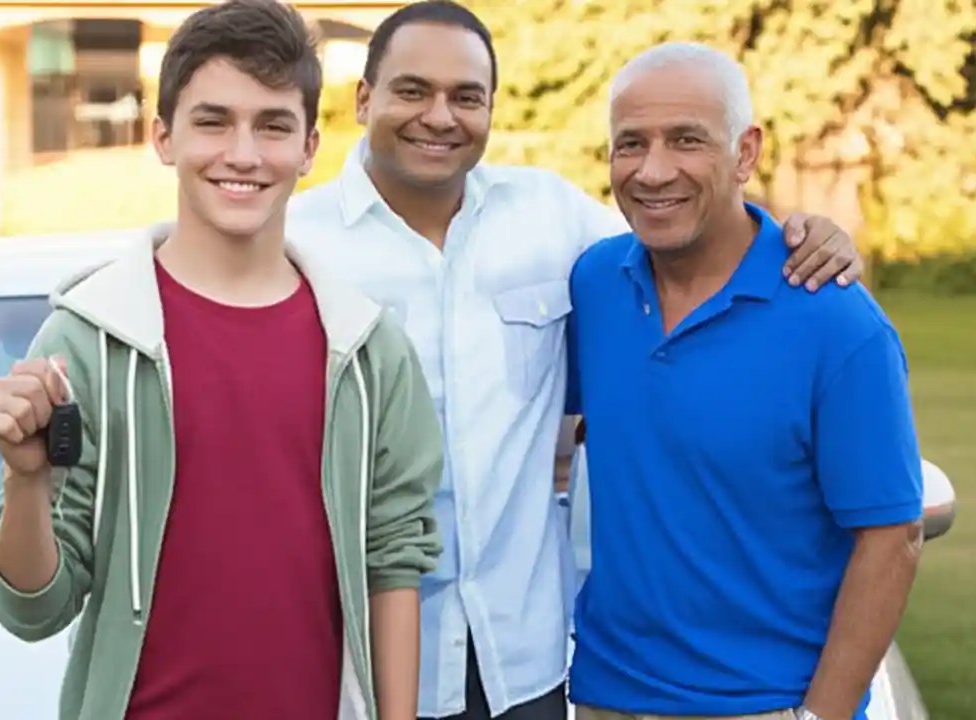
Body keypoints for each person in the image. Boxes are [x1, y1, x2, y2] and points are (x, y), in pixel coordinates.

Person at [287, 2, 868, 718]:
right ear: (365, 98)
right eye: (413, 90)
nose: (440, 116)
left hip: (525, 668)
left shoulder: (552, 219)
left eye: (466, 97)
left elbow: (694, 226)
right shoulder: (293, 244)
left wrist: (803, 235)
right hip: (355, 671)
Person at [0, 2, 444, 719]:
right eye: (213, 121)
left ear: (311, 146)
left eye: (273, 125)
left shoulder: (368, 351)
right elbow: (34, 611)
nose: (243, 154)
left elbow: (394, 565)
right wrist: (27, 481)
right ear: (163, 137)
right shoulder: (85, 343)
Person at [565, 41, 924, 720]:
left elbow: (891, 539)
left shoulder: (839, 325)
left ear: (746, 153)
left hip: (765, 705)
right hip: (604, 695)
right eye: (630, 143)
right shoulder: (595, 284)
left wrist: (818, 717)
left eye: (686, 141)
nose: (653, 170)